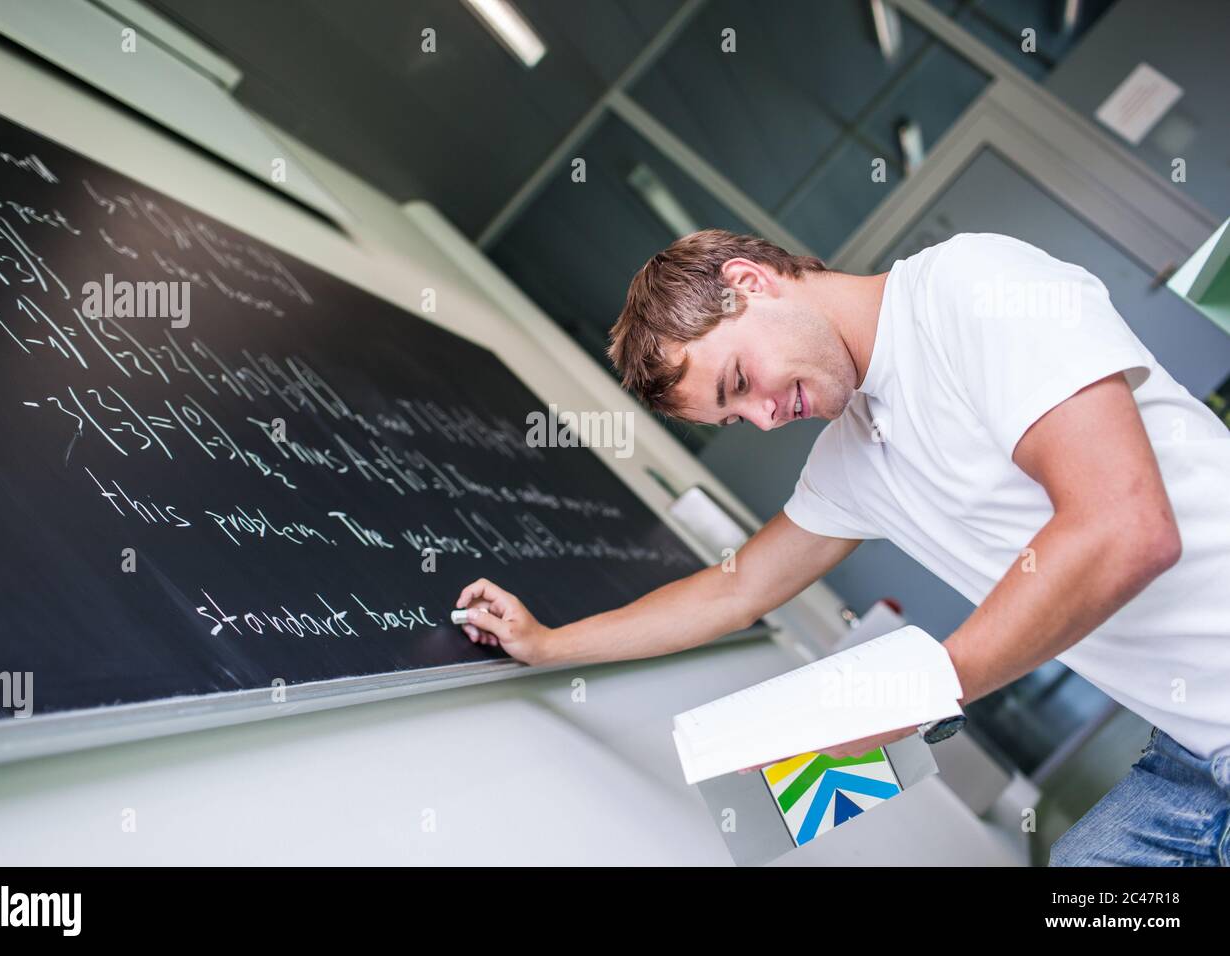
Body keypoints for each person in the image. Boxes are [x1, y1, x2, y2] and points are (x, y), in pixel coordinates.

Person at [455, 229, 1230, 866]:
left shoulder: (970, 287)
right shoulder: (851, 458)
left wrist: (922, 694)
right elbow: (733, 589)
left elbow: (1124, 526)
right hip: (1195, 748)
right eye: (734, 420)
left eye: (739, 382)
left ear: (750, 281)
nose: (763, 419)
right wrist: (550, 645)